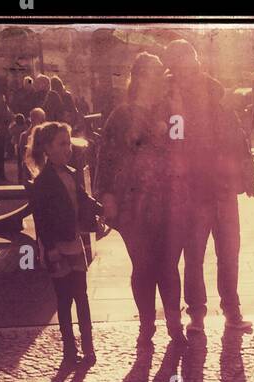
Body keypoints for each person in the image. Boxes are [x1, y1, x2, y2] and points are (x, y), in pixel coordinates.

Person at [164, 38, 254, 335]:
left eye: (191, 65)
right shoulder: (171, 103)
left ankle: (229, 309)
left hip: (222, 188)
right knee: (195, 256)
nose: (189, 72)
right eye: (181, 68)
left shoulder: (216, 96)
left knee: (228, 252)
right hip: (195, 191)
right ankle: (198, 314)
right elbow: (173, 144)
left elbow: (237, 137)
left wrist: (247, 173)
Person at [95, 51, 184, 347]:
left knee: (169, 265)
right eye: (156, 71)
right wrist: (106, 196)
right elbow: (105, 157)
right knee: (144, 265)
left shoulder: (170, 112)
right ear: (142, 76)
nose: (161, 77)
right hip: (133, 204)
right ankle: (147, 324)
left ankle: (174, 323)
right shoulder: (121, 115)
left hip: (168, 200)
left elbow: (183, 149)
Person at [28, 120, 98, 366]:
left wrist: (98, 208)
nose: (68, 148)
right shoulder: (42, 182)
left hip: (74, 243)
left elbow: (82, 197)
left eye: (68, 143)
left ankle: (88, 346)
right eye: (62, 144)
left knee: (82, 296)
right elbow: (41, 219)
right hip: (57, 247)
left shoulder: (69, 172)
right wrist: (50, 248)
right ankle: (70, 349)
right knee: (65, 300)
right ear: (47, 149)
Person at [18, 106, 46, 184]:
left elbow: (21, 154)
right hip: (37, 167)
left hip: (28, 168)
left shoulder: (24, 135)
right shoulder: (43, 134)